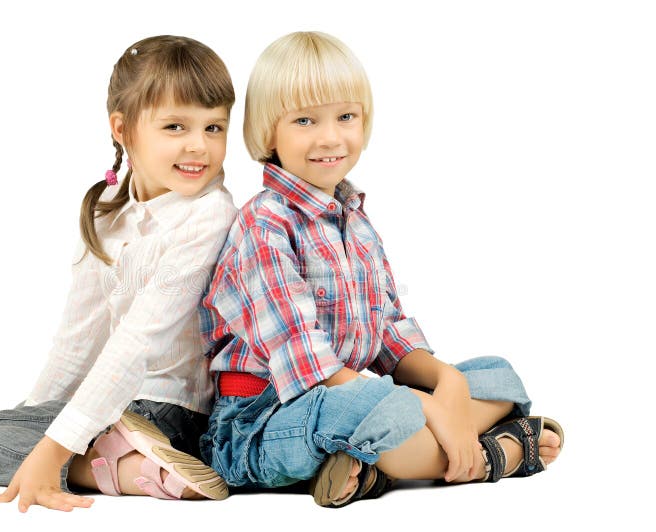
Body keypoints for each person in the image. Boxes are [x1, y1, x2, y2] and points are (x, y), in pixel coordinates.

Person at [198, 31, 564, 508]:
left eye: (345, 117)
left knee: (497, 376)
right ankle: (496, 454)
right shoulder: (264, 226)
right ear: (269, 133)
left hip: (355, 397)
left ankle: (378, 467)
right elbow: (309, 364)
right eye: (305, 120)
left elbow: (386, 331)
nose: (330, 137)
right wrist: (427, 407)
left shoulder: (355, 220)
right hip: (266, 421)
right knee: (377, 411)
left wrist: (445, 384)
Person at [0, 35, 238, 512]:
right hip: (118, 409)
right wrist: (36, 419)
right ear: (122, 129)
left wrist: (53, 447)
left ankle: (112, 465)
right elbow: (76, 342)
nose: (198, 146)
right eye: (175, 126)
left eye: (214, 127)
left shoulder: (209, 213)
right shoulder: (106, 213)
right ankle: (132, 469)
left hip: (174, 411)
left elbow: (138, 341)